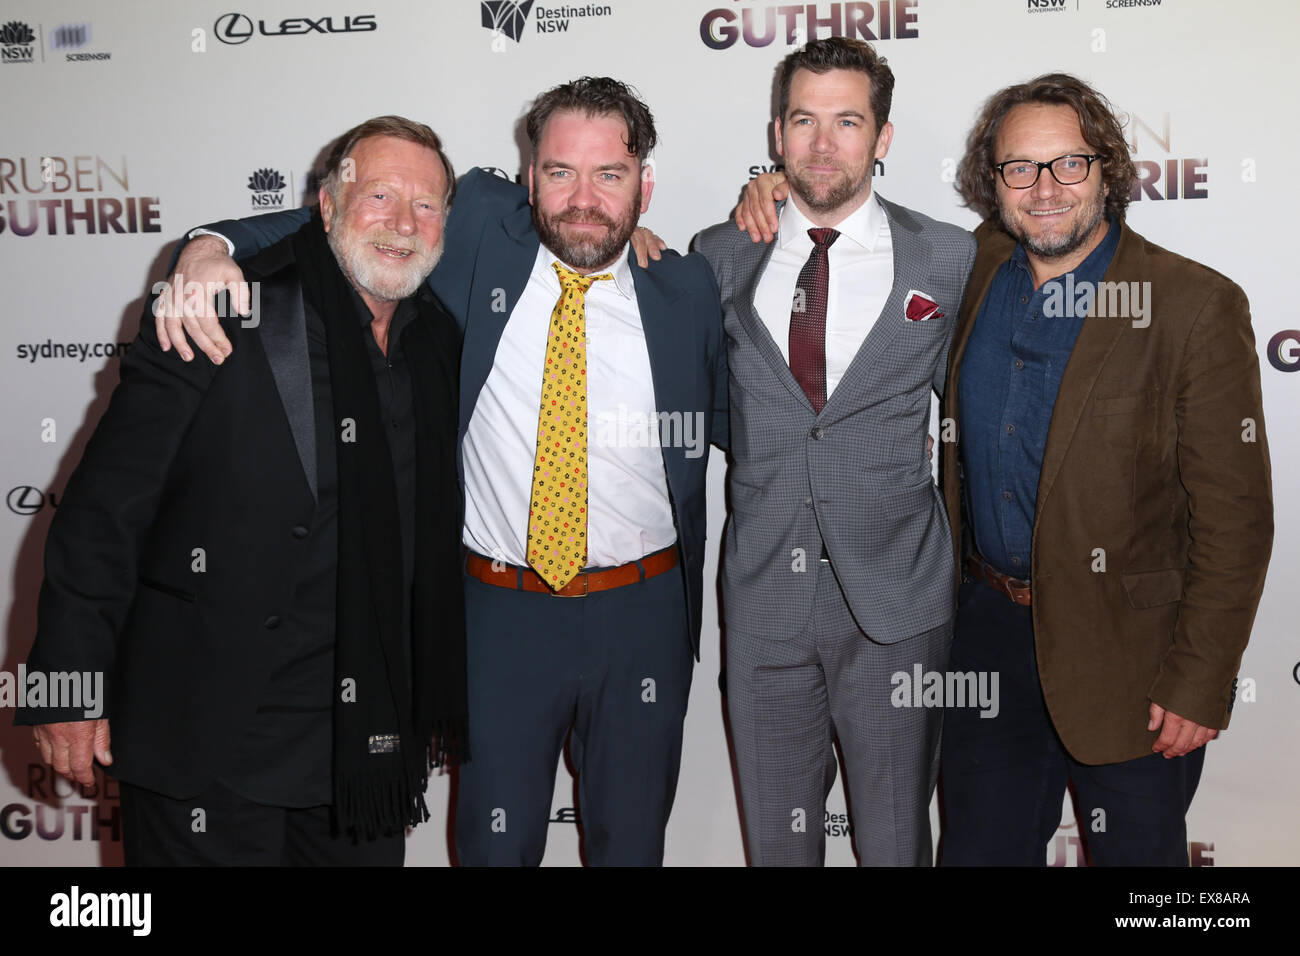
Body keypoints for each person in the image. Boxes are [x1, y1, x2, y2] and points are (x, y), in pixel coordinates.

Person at [156, 78, 728, 866]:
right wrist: (212, 242)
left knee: (632, 846)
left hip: (645, 614)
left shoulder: (688, 287)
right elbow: (346, 218)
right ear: (528, 180)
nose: (584, 198)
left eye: (611, 175)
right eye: (561, 171)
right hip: (499, 613)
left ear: (645, 185)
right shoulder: (475, 237)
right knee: (494, 846)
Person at [15, 116, 468, 865]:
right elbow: (104, 509)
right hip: (206, 737)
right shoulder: (221, 309)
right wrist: (66, 685)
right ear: (326, 205)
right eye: (379, 195)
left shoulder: (438, 341)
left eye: (425, 206)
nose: (401, 223)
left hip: (360, 753)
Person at [934, 73, 1273, 866]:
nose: (1044, 189)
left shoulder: (1192, 305)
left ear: (1109, 170)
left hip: (1135, 658)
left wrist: (1200, 680)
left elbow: (1236, 519)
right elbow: (861, 236)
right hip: (987, 635)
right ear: (994, 182)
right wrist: (773, 198)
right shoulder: (979, 266)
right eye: (1020, 167)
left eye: (1068, 165)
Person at [698, 37, 975, 866]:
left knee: (895, 843)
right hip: (764, 603)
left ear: (882, 137)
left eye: (847, 122)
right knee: (778, 846)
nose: (824, 145)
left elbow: (976, 406)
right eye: (805, 122)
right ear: (777, 134)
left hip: (898, 601)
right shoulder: (718, 254)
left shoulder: (948, 256)